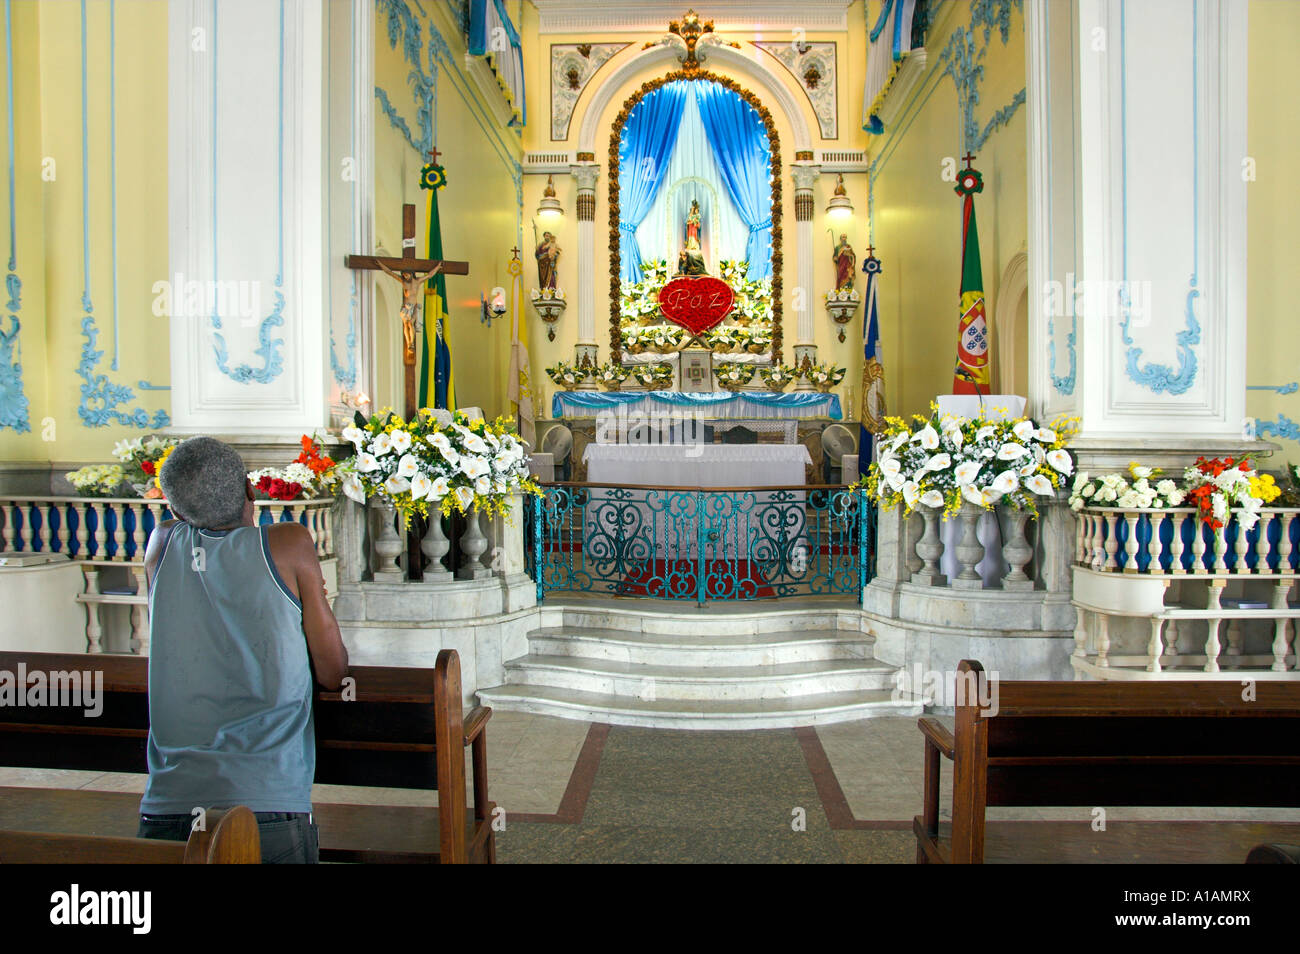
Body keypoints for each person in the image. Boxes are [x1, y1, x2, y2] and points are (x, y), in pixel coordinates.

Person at [136, 437, 349, 864]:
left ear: (175, 511)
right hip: (267, 800)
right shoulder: (289, 542)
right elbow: (333, 672)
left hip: (167, 804)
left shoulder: (161, 544)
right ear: (251, 490)